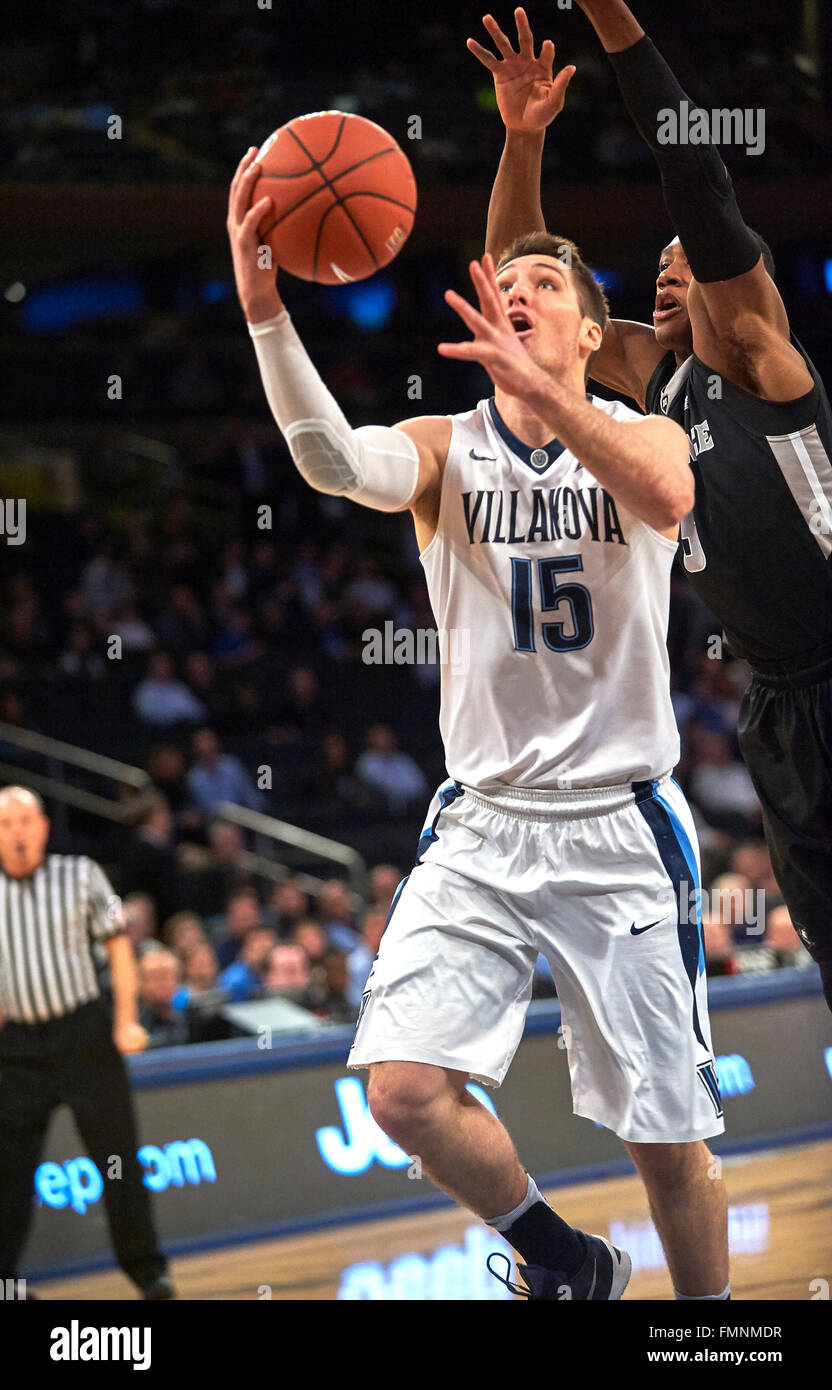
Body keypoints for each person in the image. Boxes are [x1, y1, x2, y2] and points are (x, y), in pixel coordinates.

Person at [227, 142, 722, 1302]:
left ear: (590, 333)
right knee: (399, 1089)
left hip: (620, 826)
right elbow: (330, 459)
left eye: (551, 283)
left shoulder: (643, 432)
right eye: (515, 279)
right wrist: (263, 312)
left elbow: (671, 496)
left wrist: (557, 396)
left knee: (665, 1141)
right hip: (484, 823)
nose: (527, 290)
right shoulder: (448, 446)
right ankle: (564, 1259)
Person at [478, 2, 832, 1012]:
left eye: (685, 263)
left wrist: (614, 25)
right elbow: (521, 283)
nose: (664, 271)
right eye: (656, 268)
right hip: (774, 703)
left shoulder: (761, 359)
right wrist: (523, 137)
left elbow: (697, 178)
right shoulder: (652, 378)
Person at [0, 786, 174, 1299]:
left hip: (85, 1034)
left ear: (44, 827)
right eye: (6, 824)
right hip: (17, 1048)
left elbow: (119, 951)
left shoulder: (81, 875)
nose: (17, 833)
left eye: (25, 821)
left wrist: (124, 1020)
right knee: (8, 1171)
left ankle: (148, 1273)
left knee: (118, 1158)